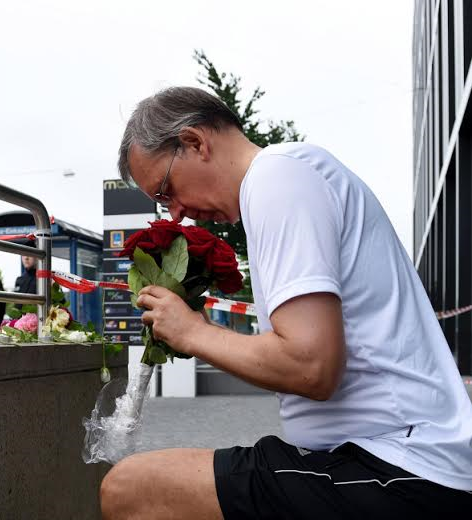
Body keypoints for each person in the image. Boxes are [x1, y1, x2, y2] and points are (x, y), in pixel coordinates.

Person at [100, 86, 472, 519]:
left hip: (403, 465)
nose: (175, 213)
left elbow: (311, 366)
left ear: (195, 142)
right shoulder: (291, 175)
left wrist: (195, 333)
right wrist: (201, 333)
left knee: (131, 489)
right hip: (384, 457)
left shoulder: (277, 179)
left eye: (165, 191)